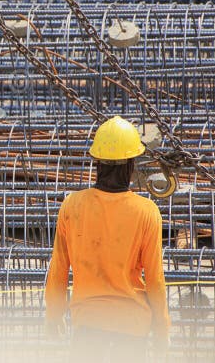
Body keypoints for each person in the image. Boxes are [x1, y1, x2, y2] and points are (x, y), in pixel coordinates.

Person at [44, 116, 170, 362]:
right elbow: (155, 278)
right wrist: (162, 328)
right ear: (130, 166)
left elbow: (58, 269)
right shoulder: (146, 211)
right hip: (133, 326)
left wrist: (53, 314)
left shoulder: (72, 206)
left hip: (88, 325)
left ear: (97, 163)